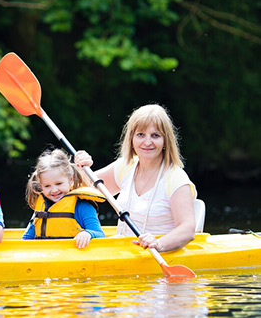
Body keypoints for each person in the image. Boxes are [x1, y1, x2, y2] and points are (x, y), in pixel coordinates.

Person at [74, 104, 197, 252]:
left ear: (166, 141)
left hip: (156, 252)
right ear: (131, 138)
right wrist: (82, 168)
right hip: (123, 250)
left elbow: (188, 228)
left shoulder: (176, 178)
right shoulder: (126, 166)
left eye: (155, 135)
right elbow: (78, 187)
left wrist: (158, 244)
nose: (147, 142)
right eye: (140, 135)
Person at [22, 148, 106, 248]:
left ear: (70, 180)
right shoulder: (41, 208)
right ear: (40, 186)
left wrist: (88, 234)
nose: (54, 190)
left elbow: (100, 234)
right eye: (47, 186)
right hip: (47, 258)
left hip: (74, 258)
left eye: (59, 183)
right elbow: (26, 239)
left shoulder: (82, 205)